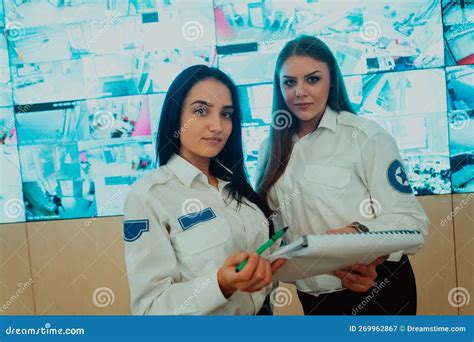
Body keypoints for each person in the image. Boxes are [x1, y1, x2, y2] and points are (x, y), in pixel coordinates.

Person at [256, 35, 429, 315]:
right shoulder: (269, 150)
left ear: (332, 80)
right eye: (289, 82)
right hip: (313, 300)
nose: (300, 91)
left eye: (312, 79)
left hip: (377, 289)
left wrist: (357, 234)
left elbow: (413, 222)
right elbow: (271, 233)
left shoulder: (366, 136)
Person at [123, 65, 288, 315]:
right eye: (201, 111)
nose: (218, 126)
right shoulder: (148, 196)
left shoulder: (238, 190)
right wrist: (220, 285)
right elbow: (149, 310)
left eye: (226, 114)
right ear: (175, 115)